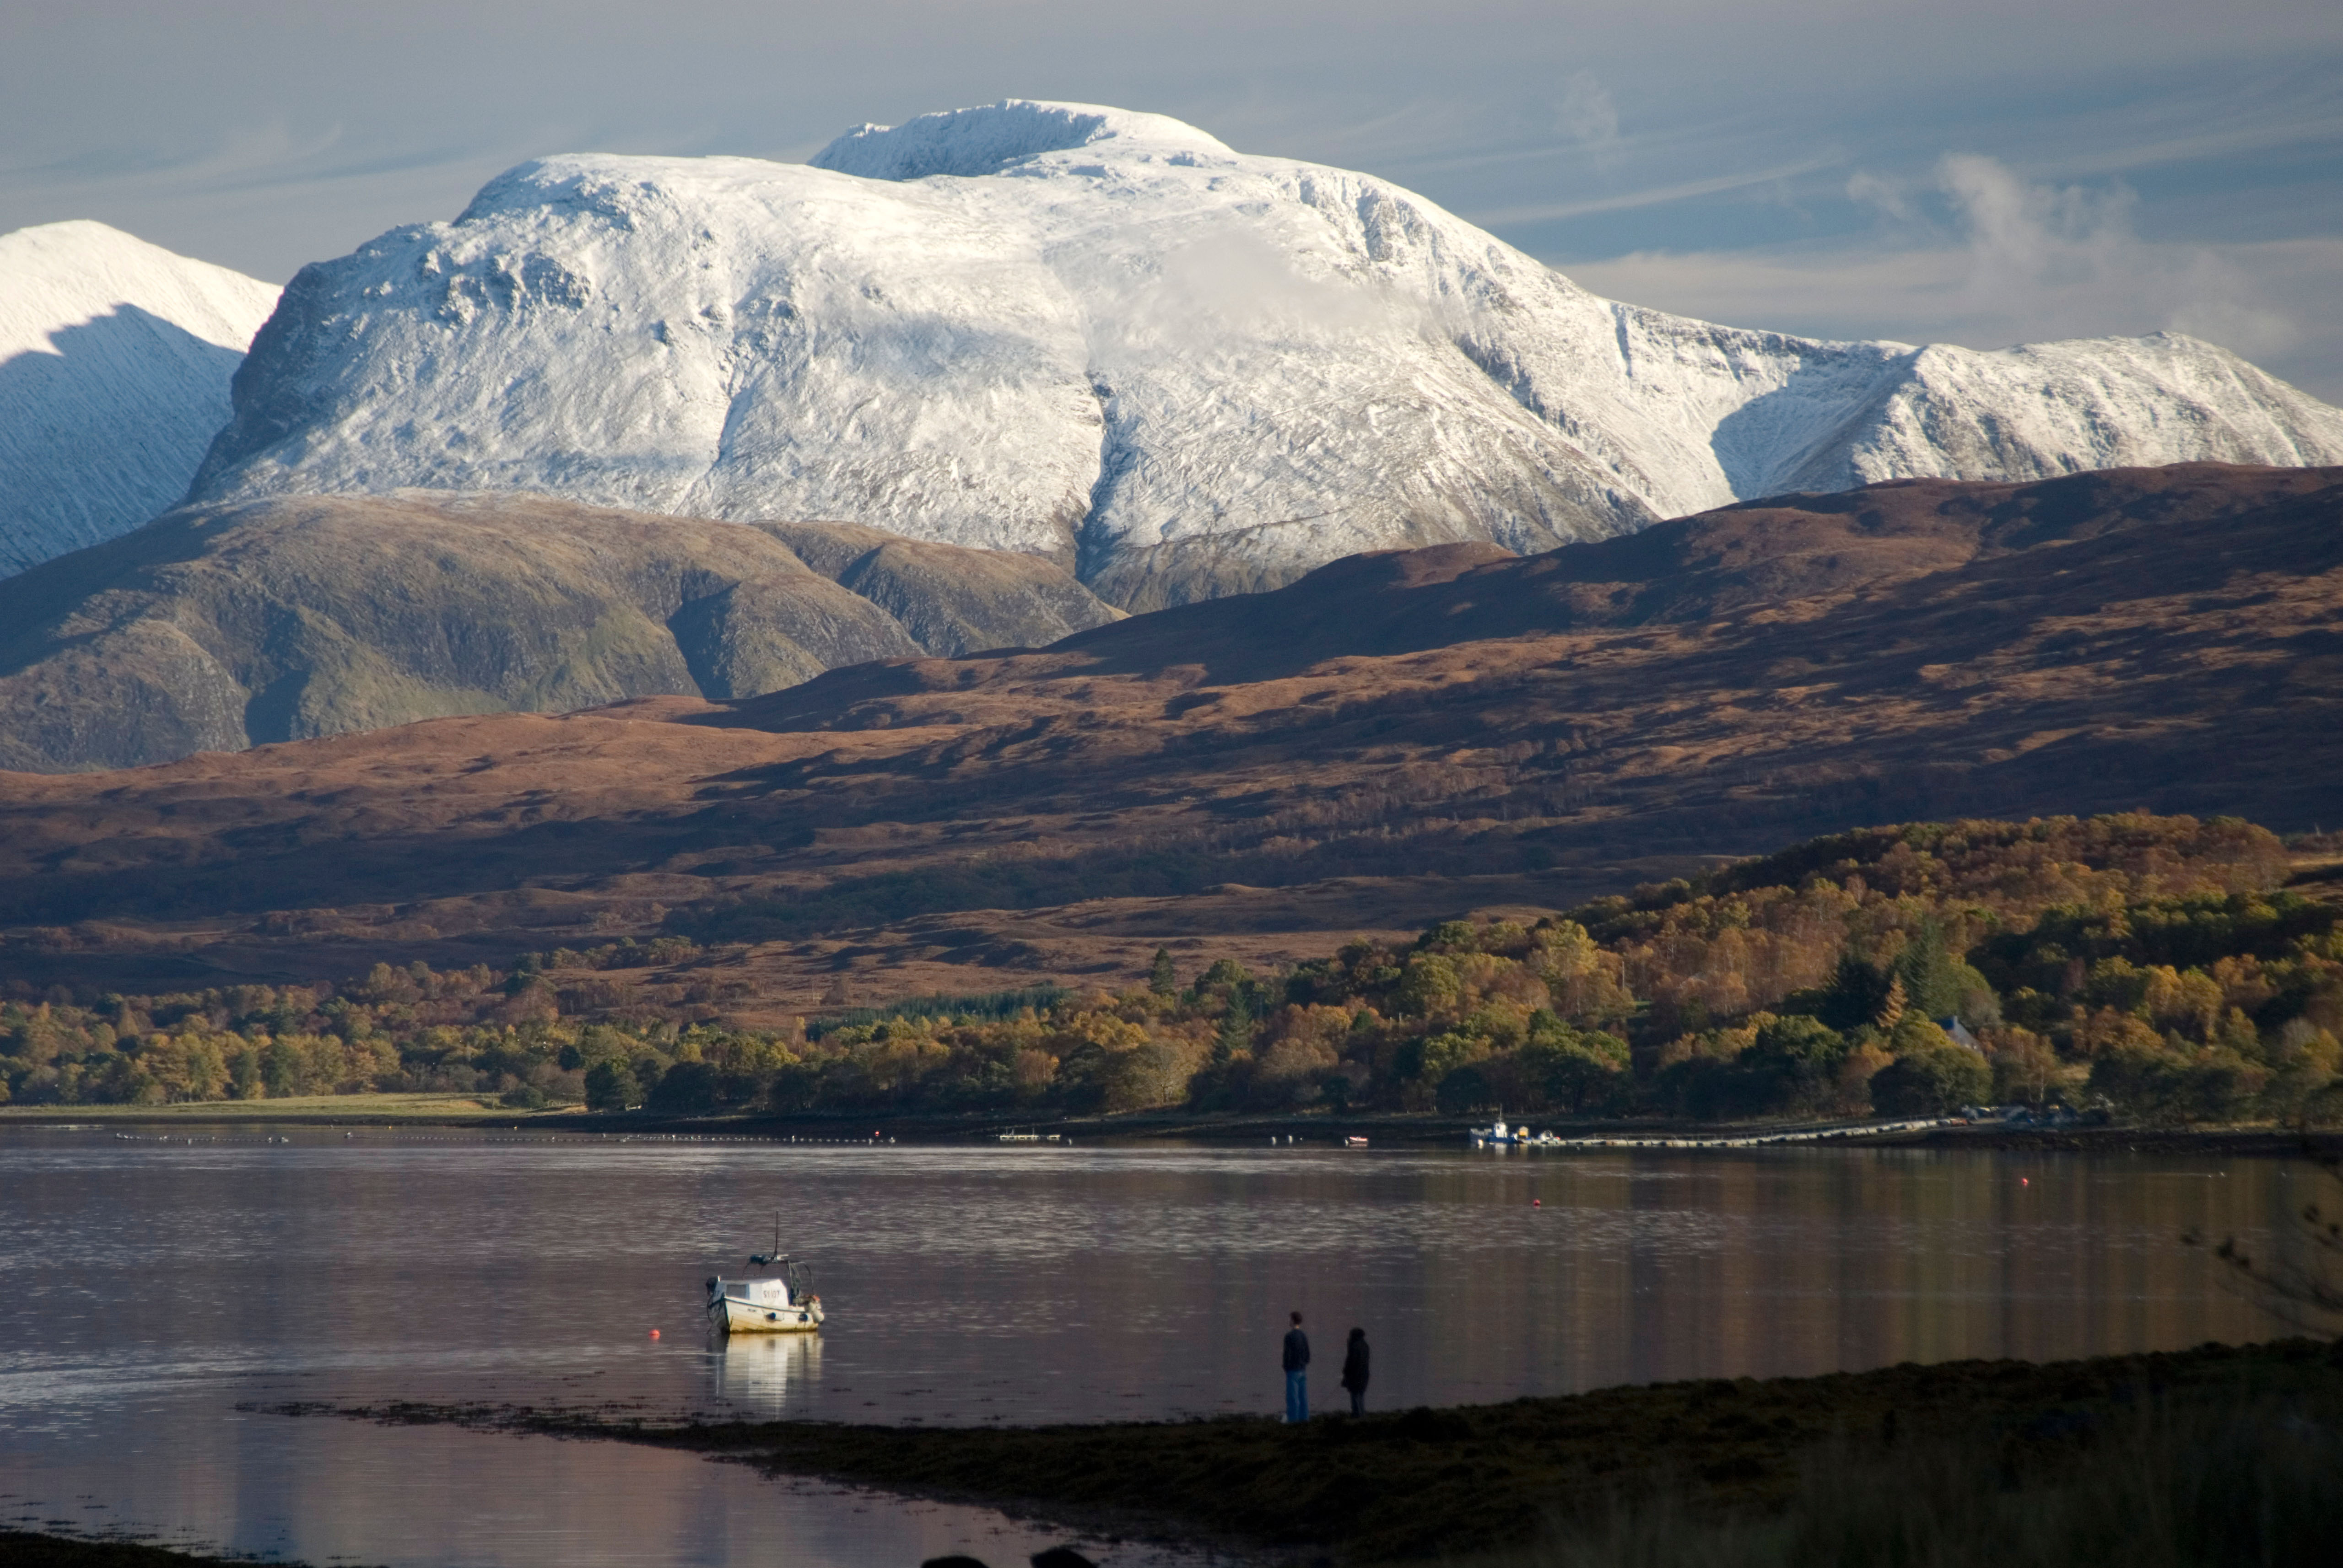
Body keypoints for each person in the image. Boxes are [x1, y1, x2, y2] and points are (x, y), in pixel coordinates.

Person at [1281, 1310, 1310, 1423]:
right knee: (1303, 1397)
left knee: (1292, 1398)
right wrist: (1304, 1363)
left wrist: (1286, 1367)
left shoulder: (1289, 1336)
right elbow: (1308, 1354)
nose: (1288, 1321)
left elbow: (1287, 1354)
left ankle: (1293, 1420)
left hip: (1292, 1370)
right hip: (1302, 1369)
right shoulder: (1304, 1336)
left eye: (1289, 1319)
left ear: (1293, 1321)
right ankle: (1305, 1419)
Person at [1339, 1326, 1371, 1416]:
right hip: (1364, 1375)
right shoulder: (1365, 1346)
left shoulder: (1355, 1347)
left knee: (1355, 1395)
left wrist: (1346, 1374)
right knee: (1361, 1395)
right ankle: (1362, 1413)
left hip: (1356, 1376)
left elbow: (1351, 1362)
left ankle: (1357, 1414)